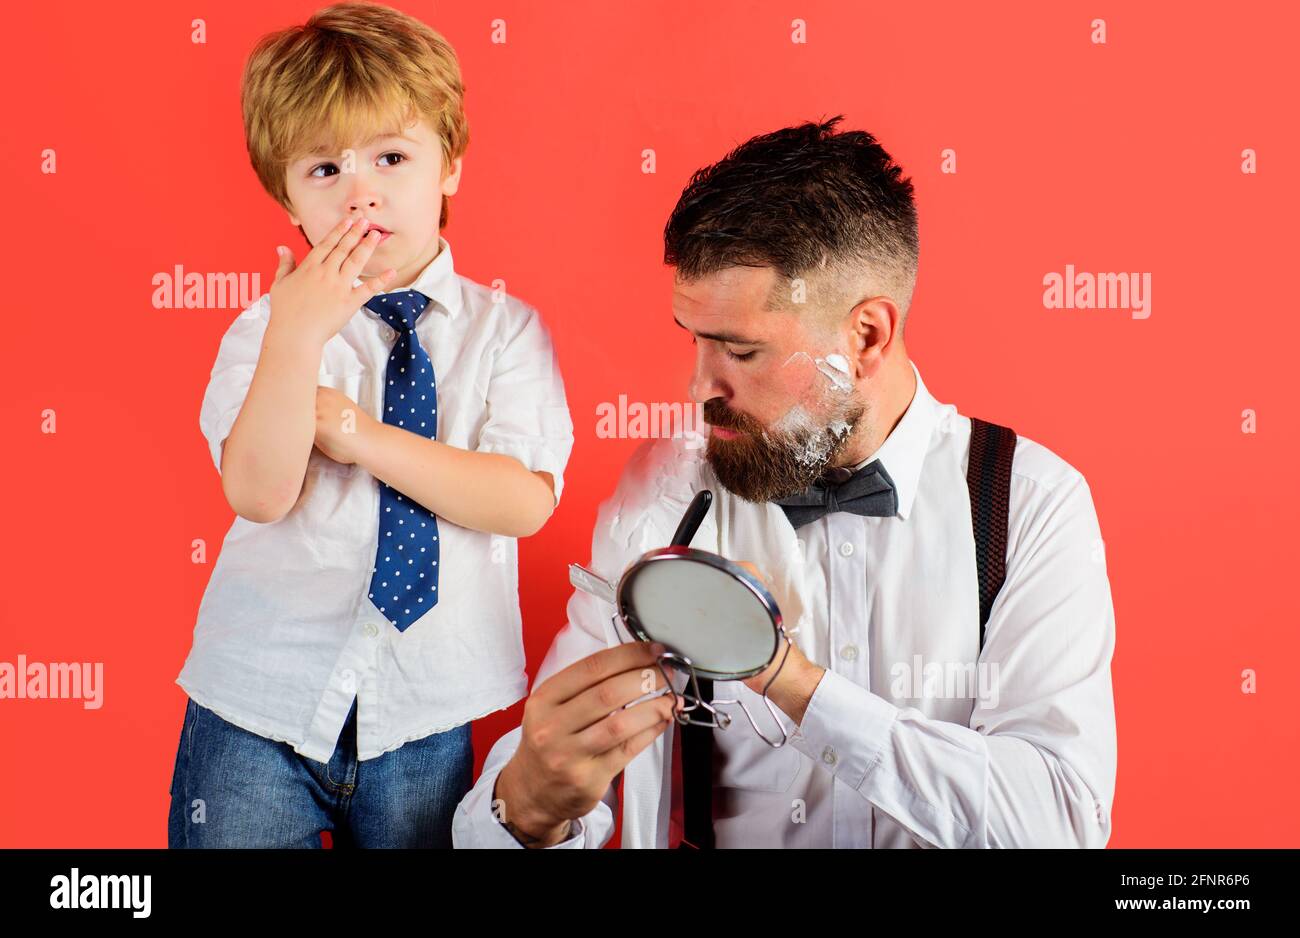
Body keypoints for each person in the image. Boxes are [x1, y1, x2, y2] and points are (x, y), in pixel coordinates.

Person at [452, 116, 1116, 848]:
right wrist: (528, 808)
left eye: (741, 352)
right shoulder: (668, 493)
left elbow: (1058, 822)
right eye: (695, 341)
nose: (700, 388)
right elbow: (547, 772)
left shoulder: (1030, 502)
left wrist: (792, 684)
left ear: (866, 336)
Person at [168, 1, 573, 848]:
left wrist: (353, 432)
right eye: (324, 169)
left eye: (391, 157)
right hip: (260, 700)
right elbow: (258, 492)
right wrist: (295, 335)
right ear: (285, 195)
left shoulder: (506, 332)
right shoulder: (266, 329)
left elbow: (521, 501)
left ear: (449, 165)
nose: (361, 192)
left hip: (425, 710)